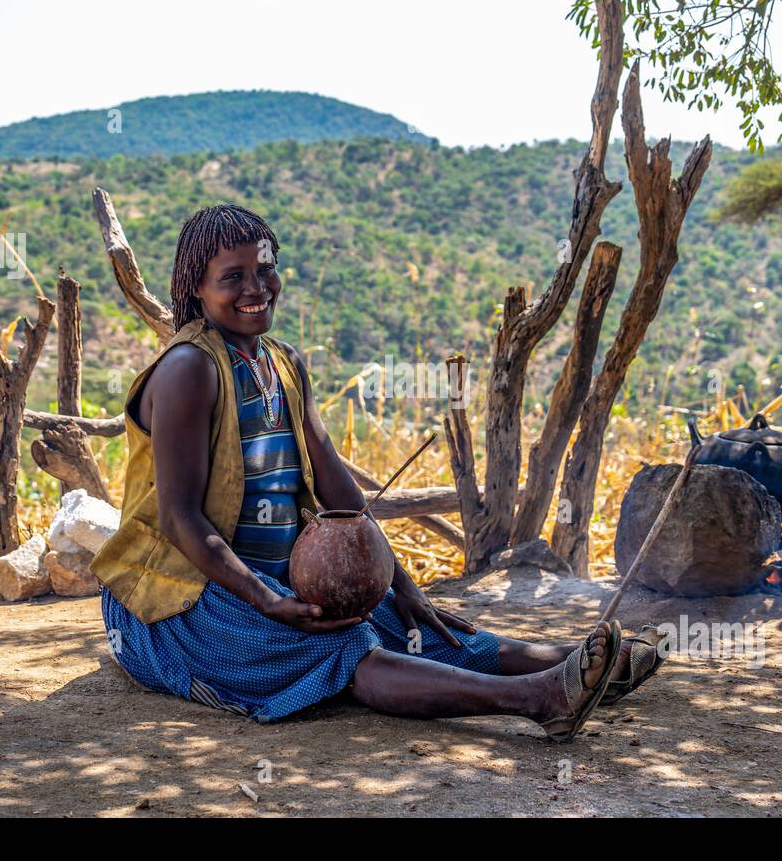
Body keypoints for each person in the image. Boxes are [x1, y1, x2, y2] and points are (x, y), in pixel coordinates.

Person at [92, 204, 667, 741]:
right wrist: (266, 601)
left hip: (273, 575)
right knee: (344, 644)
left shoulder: (283, 363)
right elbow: (180, 517)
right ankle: (538, 700)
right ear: (196, 287)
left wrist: (403, 585)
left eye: (265, 269)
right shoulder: (189, 369)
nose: (255, 288)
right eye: (232, 276)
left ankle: (574, 663)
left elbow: (336, 486)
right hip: (180, 598)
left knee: (415, 625)